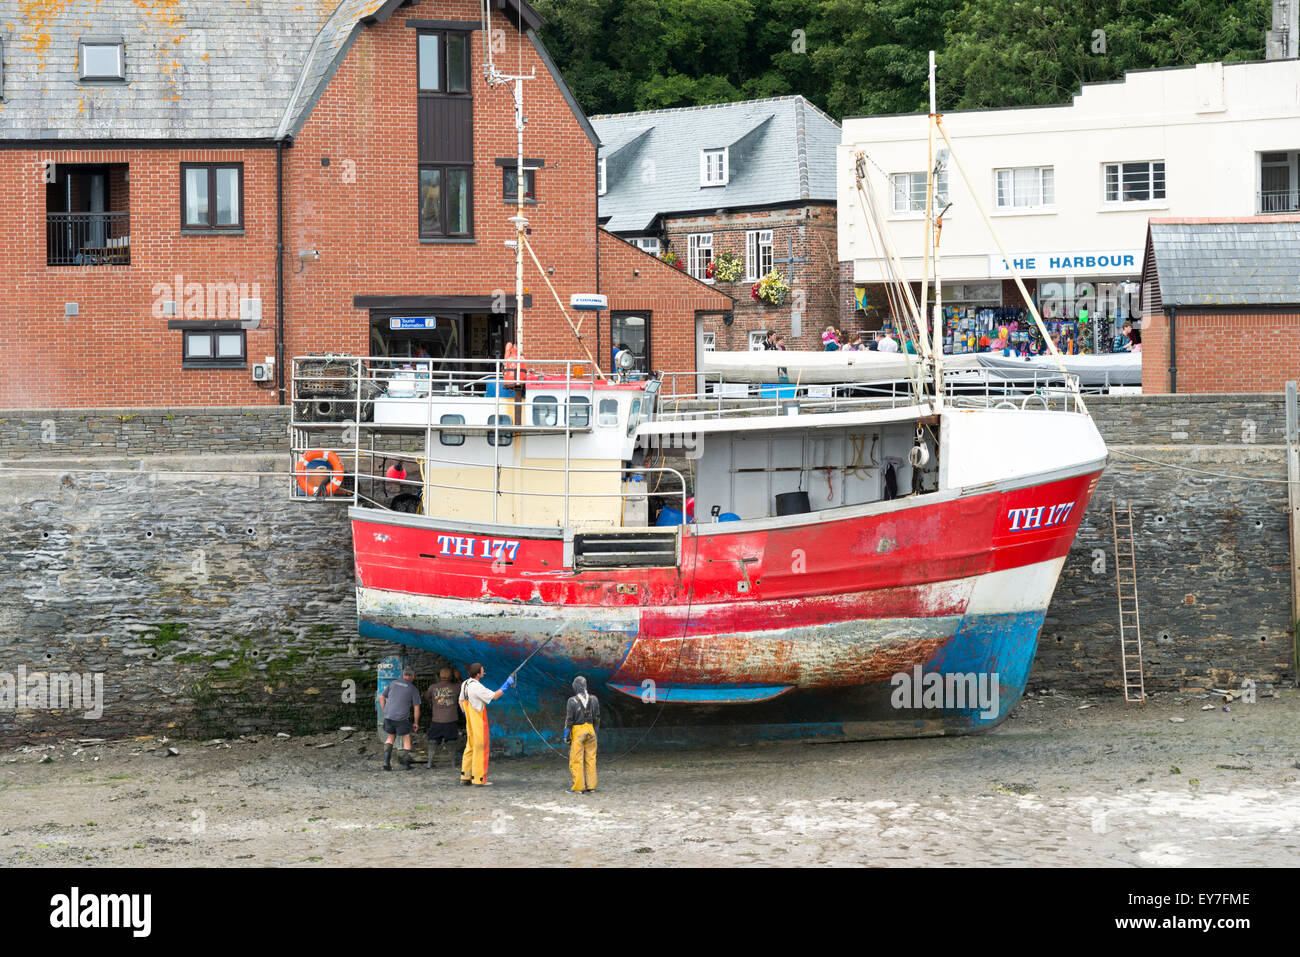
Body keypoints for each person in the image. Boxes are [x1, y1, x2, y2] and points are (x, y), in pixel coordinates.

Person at [459, 663, 513, 786]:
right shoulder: (477, 687)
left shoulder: (465, 683)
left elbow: (460, 701)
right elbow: (494, 696)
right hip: (478, 720)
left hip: (470, 721)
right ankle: (479, 779)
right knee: (481, 747)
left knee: (470, 746)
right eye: (483, 670)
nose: (484, 672)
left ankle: (466, 776)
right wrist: (507, 684)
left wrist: (466, 713)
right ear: (478, 674)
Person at [379, 666, 421, 771]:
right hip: (401, 719)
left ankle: (386, 762)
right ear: (412, 676)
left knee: (390, 737)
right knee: (406, 738)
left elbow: (381, 697)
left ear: (403, 675)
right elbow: (417, 708)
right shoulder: (413, 689)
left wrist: (385, 710)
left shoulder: (393, 683)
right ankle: (406, 765)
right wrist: (416, 722)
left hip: (389, 716)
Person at [564, 676, 600, 793]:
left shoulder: (571, 701)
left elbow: (569, 720)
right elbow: (597, 717)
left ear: (575, 687)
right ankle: (592, 786)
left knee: (576, 760)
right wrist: (595, 731)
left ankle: (579, 787)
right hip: (591, 730)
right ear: (585, 686)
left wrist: (566, 735)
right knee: (591, 759)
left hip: (579, 731)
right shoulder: (594, 699)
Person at [423, 668, 460, 768]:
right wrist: (459, 678)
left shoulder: (432, 687)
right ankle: (453, 764)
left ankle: (429, 763)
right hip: (451, 720)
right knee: (452, 742)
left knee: (433, 742)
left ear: (440, 676)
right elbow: (465, 688)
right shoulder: (456, 687)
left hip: (437, 721)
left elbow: (426, 697)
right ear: (451, 676)